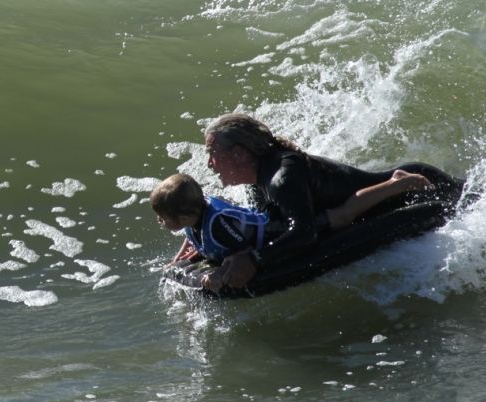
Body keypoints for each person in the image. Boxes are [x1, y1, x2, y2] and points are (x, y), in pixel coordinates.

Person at [202, 113, 464, 289]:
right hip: (397, 194)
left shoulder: (281, 177)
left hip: (419, 191)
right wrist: (207, 240)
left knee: (474, 204)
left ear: (238, 153)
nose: (209, 164)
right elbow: (265, 223)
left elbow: (303, 233)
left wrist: (255, 260)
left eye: (212, 154)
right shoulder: (258, 180)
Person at [151, 170, 434, 291]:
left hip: (279, 230)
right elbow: (193, 241)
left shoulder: (219, 226)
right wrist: (182, 260)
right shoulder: (195, 219)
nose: (160, 223)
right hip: (264, 224)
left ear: (187, 214)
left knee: (343, 215)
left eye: (163, 218)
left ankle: (396, 183)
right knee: (341, 215)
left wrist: (217, 276)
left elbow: (241, 257)